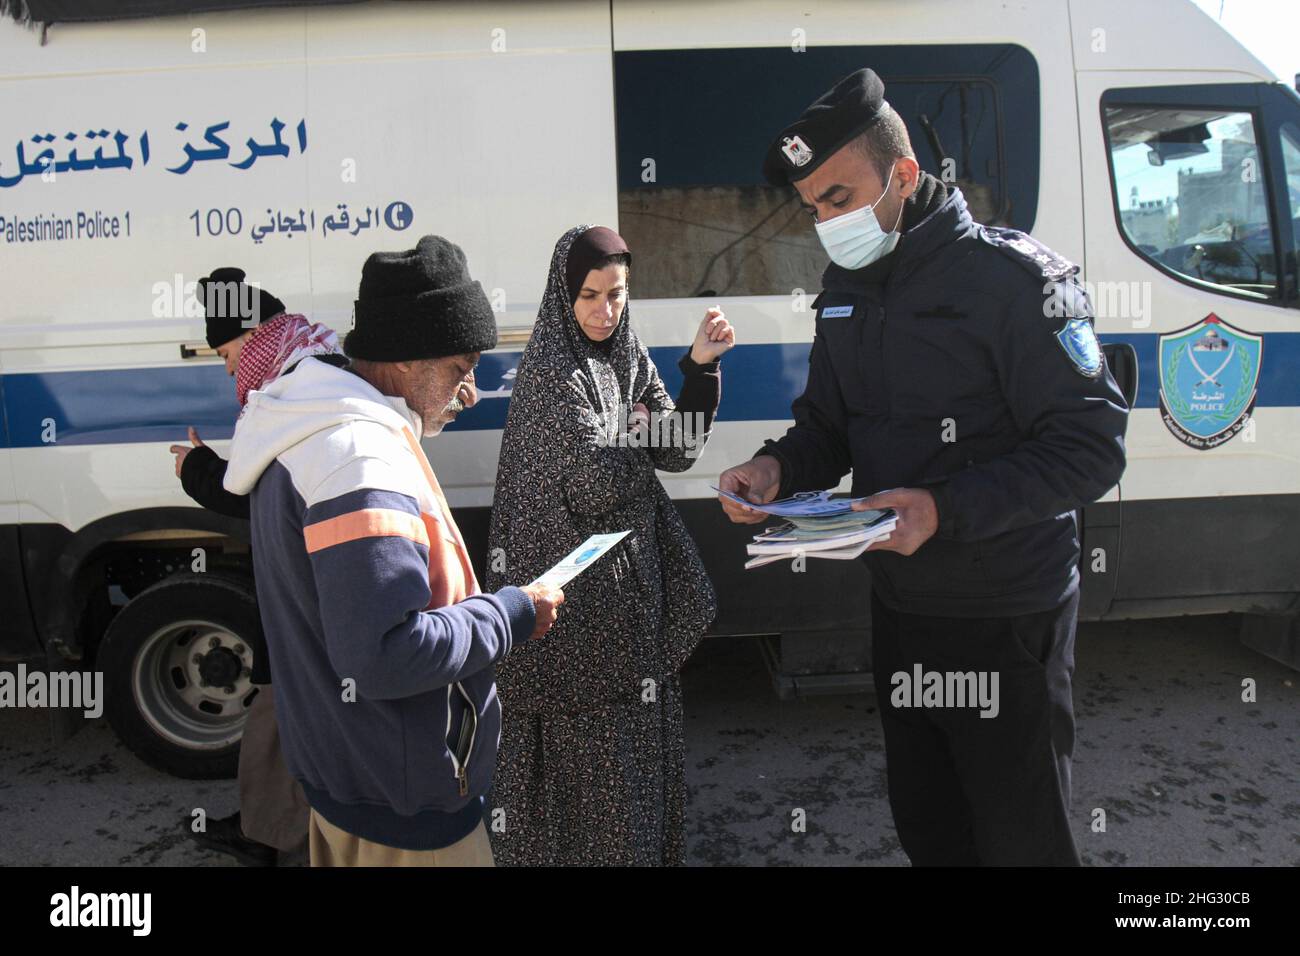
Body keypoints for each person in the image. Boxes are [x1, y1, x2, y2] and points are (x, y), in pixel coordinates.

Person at [718, 69, 1129, 866]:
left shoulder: (1017, 283)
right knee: (932, 831)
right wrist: (774, 469)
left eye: (838, 198)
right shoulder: (847, 285)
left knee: (1021, 842)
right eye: (812, 208)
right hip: (903, 609)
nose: (825, 222)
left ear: (903, 175)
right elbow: (829, 427)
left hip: (1009, 616)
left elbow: (1090, 445)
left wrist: (943, 508)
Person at [222, 236, 564, 866]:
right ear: (408, 360)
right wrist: (513, 612)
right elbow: (384, 656)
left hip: (350, 781)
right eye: (462, 368)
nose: (469, 390)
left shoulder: (310, 420)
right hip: (402, 808)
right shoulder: (357, 458)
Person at [486, 224, 733, 866]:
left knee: (634, 771)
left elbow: (675, 448)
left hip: (628, 620)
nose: (605, 310)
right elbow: (592, 483)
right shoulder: (550, 371)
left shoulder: (625, 349)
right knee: (589, 783)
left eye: (617, 293)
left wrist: (700, 370)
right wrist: (638, 434)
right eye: (591, 295)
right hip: (572, 631)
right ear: (564, 294)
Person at [170, 266, 331, 866]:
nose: (230, 368)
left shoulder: (289, 391)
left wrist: (195, 470)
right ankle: (276, 828)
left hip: (303, 584)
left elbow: (248, 491)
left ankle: (271, 838)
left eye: (231, 351)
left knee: (278, 708)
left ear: (258, 335)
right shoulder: (314, 367)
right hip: (313, 578)